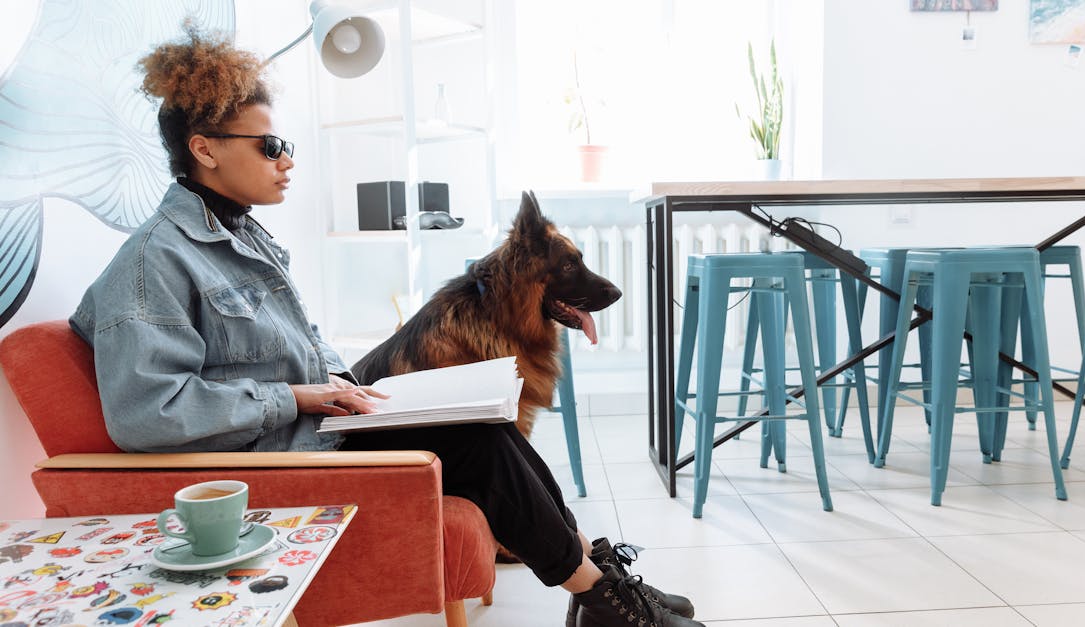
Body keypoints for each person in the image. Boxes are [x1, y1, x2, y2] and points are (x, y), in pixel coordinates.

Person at [69, 28, 703, 627]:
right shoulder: (153, 264)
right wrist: (297, 397)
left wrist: (357, 389)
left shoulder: (241, 240)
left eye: (284, 144)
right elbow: (146, 414)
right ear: (204, 149)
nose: (286, 160)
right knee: (481, 447)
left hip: (318, 431)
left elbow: (299, 350)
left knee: (485, 421)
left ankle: (598, 574)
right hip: (278, 463)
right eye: (270, 146)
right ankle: (601, 599)